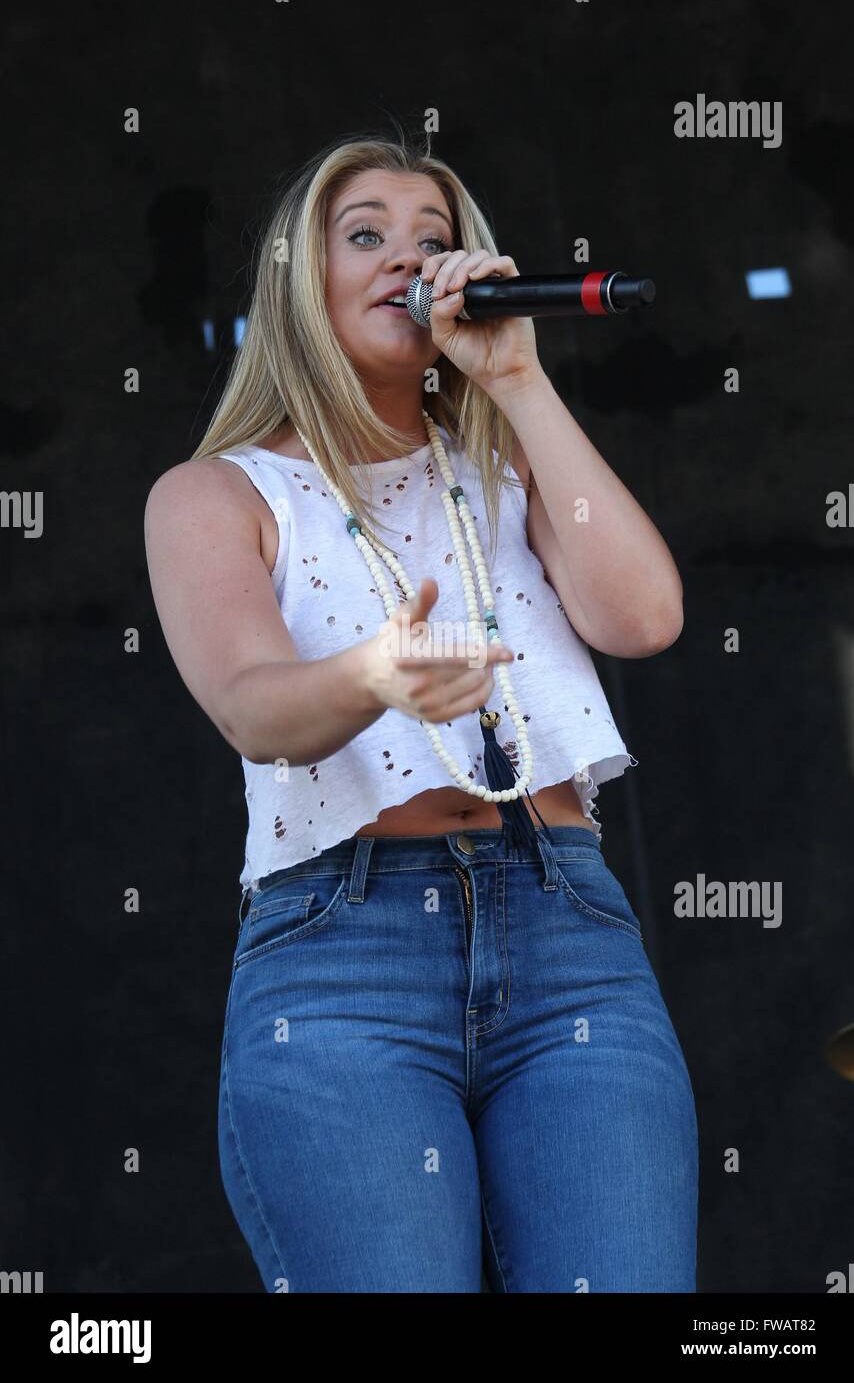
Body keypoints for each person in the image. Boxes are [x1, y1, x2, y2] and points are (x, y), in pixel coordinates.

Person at [144, 130, 699, 1293]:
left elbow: (643, 616)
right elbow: (251, 708)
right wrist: (368, 679)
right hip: (344, 956)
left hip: (566, 935)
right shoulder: (217, 495)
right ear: (301, 275)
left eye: (434, 242)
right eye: (367, 235)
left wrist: (515, 380)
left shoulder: (505, 474)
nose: (408, 258)